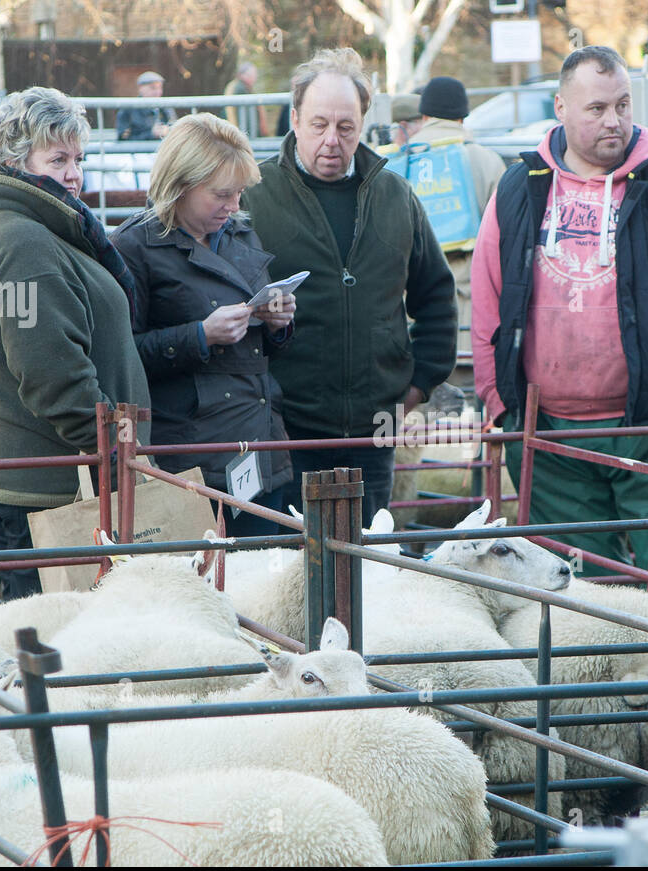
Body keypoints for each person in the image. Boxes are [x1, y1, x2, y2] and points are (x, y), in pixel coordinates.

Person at [471, 45, 648, 600]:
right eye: (596, 108)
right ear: (561, 108)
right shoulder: (519, 188)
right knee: (576, 601)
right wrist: (500, 402)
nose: (614, 120)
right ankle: (601, 689)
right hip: (548, 434)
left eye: (622, 104)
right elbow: (487, 298)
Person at [0, 86, 151, 598]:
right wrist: (123, 454)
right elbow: (55, 379)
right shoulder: (26, 243)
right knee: (59, 646)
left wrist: (5, 410)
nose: (74, 173)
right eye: (57, 158)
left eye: (78, 158)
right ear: (15, 160)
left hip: (23, 476)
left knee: (34, 634)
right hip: (55, 489)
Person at [242, 48, 457, 526]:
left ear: (364, 122)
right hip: (282, 427)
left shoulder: (396, 196)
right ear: (294, 119)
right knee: (284, 568)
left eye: (346, 126)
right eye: (319, 124)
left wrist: (418, 387)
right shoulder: (253, 195)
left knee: (363, 570)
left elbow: (436, 298)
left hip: (372, 431)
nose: (332, 140)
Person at [111, 114, 296, 536]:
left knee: (262, 586)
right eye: (221, 195)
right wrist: (199, 336)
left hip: (261, 440)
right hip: (192, 458)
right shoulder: (134, 246)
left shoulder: (238, 233)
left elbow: (265, 350)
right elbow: (122, 353)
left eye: (238, 194)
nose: (233, 207)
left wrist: (277, 322)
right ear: (182, 183)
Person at [407, 75, 508, 366]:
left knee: (420, 406)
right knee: (468, 405)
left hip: (413, 309)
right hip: (470, 307)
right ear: (463, 117)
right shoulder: (488, 161)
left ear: (424, 115)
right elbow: (505, 237)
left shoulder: (400, 162)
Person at [117, 71, 176, 141]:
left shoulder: (166, 107)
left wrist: (168, 131)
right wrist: (151, 134)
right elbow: (123, 140)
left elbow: (175, 128)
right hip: (137, 151)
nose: (158, 92)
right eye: (153, 88)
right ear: (140, 88)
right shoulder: (128, 109)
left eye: (160, 88)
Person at [225, 62, 268, 140]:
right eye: (253, 75)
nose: (255, 78)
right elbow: (245, 117)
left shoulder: (243, 87)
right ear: (243, 75)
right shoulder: (240, 89)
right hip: (243, 136)